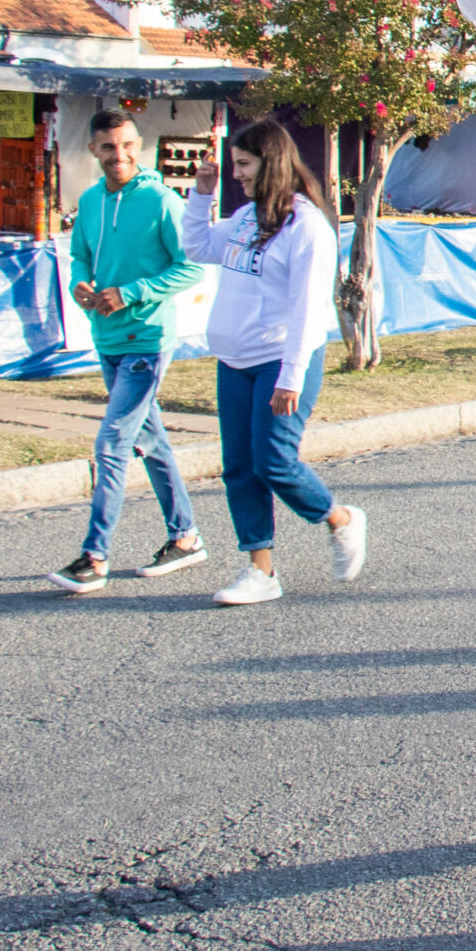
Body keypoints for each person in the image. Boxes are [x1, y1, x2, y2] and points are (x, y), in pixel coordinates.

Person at [181, 118, 368, 607]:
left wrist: (289, 378)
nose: (235, 174)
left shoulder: (306, 226)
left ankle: (340, 520)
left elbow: (310, 308)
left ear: (271, 163)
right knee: (239, 467)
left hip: (282, 361)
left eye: (244, 164)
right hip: (235, 361)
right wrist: (201, 195)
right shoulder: (247, 217)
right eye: (234, 165)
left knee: (274, 462)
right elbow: (197, 247)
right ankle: (260, 571)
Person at [46, 111, 207, 593]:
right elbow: (80, 255)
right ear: (93, 151)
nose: (121, 156)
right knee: (150, 441)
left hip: (147, 339)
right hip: (107, 339)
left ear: (141, 146)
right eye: (109, 148)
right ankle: (186, 538)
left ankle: (95, 557)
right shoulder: (91, 200)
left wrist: (131, 292)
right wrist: (79, 281)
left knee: (113, 443)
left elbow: (192, 267)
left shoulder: (160, 200)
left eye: (129, 146)